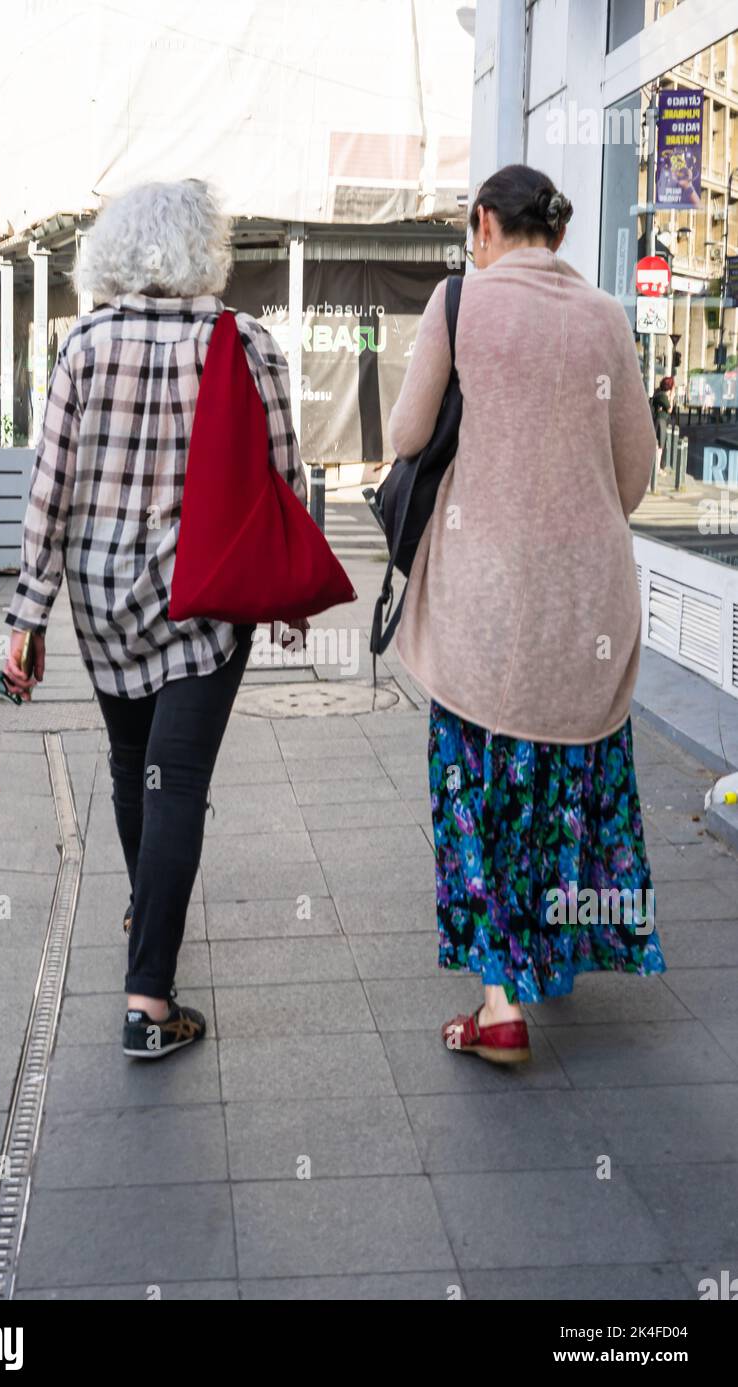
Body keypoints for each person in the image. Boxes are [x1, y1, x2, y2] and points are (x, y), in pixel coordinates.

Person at [3, 180, 308, 1059]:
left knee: (134, 764)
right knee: (178, 779)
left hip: (100, 599)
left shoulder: (85, 343)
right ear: (202, 248)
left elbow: (47, 488)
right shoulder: (243, 341)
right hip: (203, 597)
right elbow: (281, 475)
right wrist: (287, 593)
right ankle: (148, 999)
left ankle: (149, 916)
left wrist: (29, 614)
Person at [388, 163, 666, 1065]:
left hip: (488, 600)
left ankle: (500, 1004)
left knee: (480, 784)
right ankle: (556, 948)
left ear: (483, 224)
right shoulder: (605, 318)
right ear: (556, 233)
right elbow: (637, 476)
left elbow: (405, 437)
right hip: (589, 600)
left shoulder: (460, 303)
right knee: (563, 781)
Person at [651, 375, 675, 471]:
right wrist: (672, 398)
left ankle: (657, 467)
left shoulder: (660, 394)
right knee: (659, 445)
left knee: (660, 445)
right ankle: (656, 469)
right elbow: (669, 409)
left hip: (660, 421)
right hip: (661, 421)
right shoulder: (662, 395)